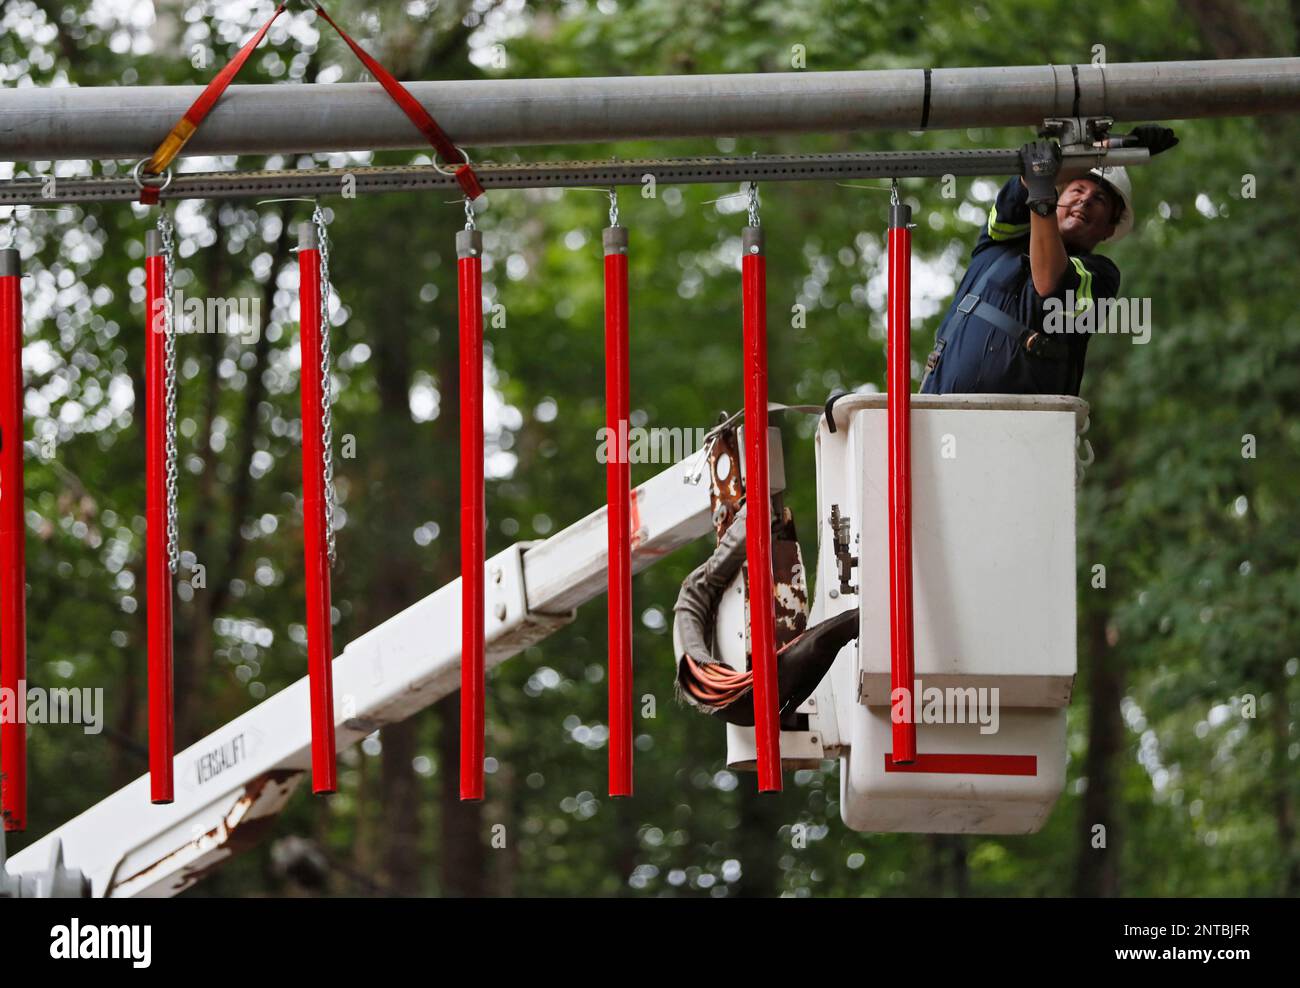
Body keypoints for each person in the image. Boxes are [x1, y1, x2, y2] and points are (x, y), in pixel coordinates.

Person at [920, 128, 1176, 397]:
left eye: (1099, 199)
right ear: (1060, 193)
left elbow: (1050, 282)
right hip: (940, 409)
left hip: (1029, 428)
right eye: (1077, 189)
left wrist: (1042, 195)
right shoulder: (1000, 240)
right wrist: (1111, 146)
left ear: (1110, 229)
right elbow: (1027, 184)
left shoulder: (1101, 276)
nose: (1085, 200)